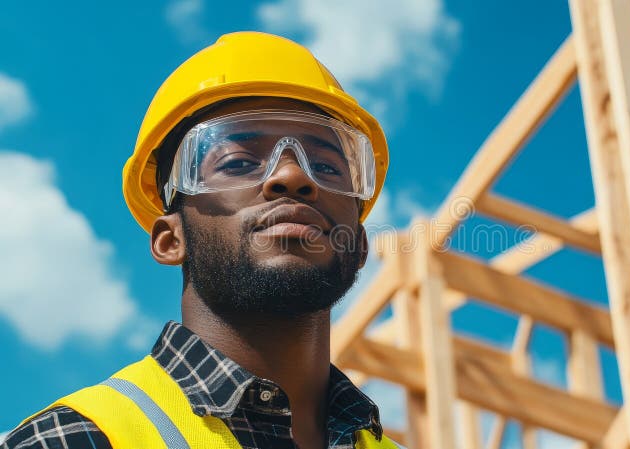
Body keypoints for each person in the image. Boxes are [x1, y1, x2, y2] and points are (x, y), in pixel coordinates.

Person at [2, 31, 397, 449]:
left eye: (326, 166)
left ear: (358, 246)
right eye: (239, 162)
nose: (293, 176)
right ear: (170, 238)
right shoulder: (73, 439)